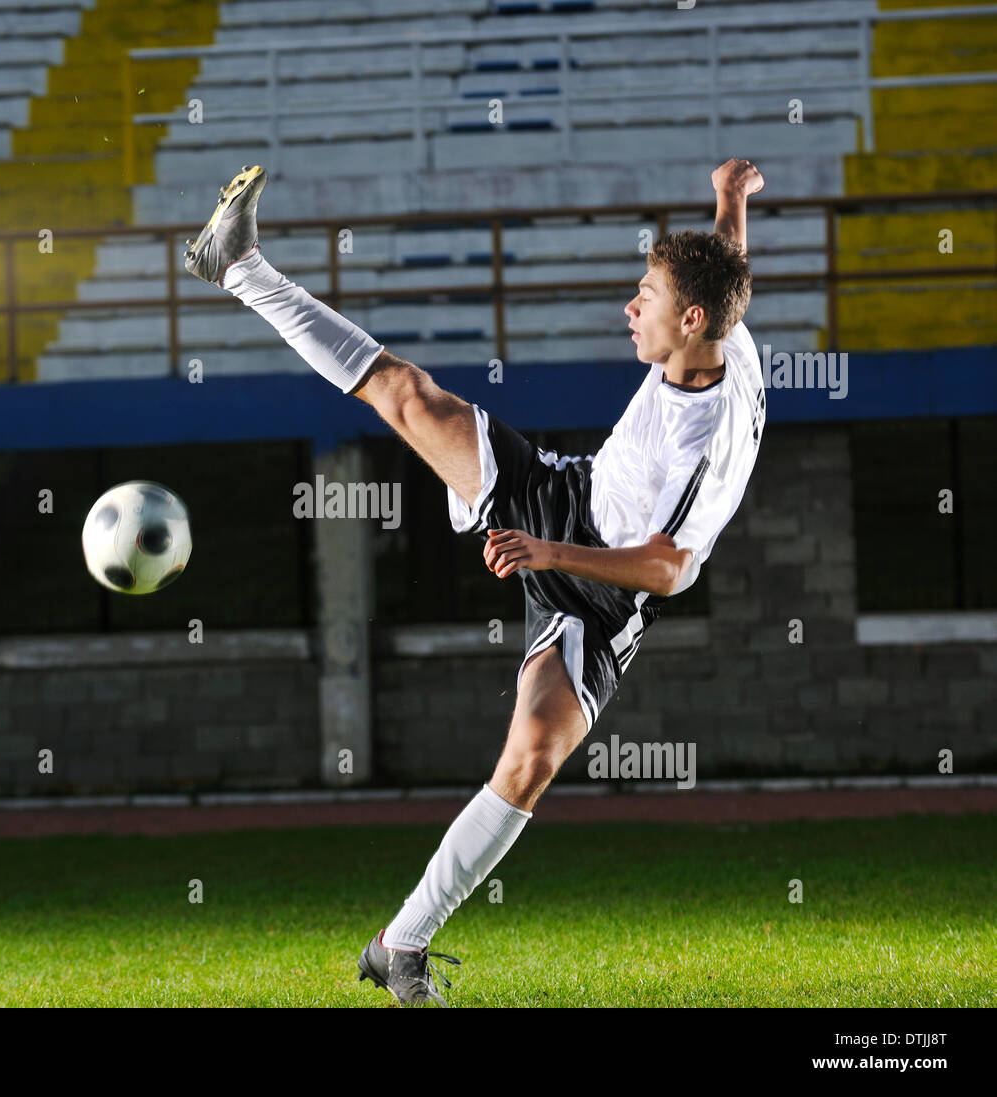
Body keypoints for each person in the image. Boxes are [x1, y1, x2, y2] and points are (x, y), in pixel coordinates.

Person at [183, 158, 768, 1006]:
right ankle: (238, 266)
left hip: (605, 588)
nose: (628, 306)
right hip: (563, 496)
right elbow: (725, 264)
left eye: (644, 294)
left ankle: (401, 945)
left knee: (529, 759)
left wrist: (547, 554)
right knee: (409, 397)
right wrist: (729, 199)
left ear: (688, 319)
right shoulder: (723, 325)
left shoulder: (699, 451)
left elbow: (668, 569)